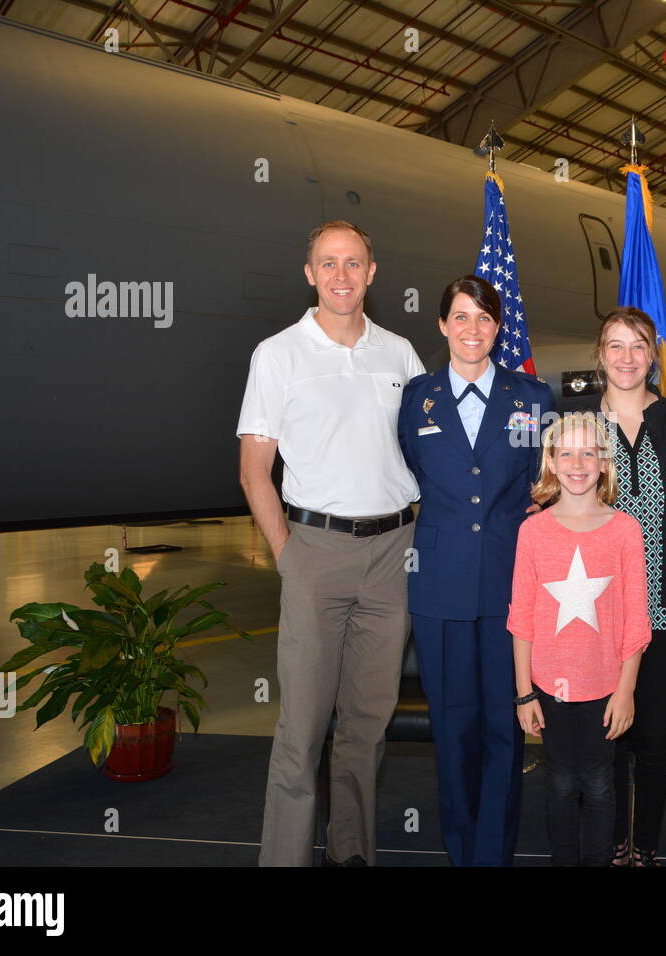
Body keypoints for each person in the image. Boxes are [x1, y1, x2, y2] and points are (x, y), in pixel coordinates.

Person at [237, 220, 423, 867]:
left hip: (393, 552)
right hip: (316, 550)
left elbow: (435, 449)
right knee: (301, 732)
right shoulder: (278, 355)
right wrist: (289, 553)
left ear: (372, 273)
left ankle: (352, 855)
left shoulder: (399, 353)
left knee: (366, 730)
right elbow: (253, 473)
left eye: (354, 263)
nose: (342, 275)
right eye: (329, 263)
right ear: (310, 273)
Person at [396, 274, 554, 866]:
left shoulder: (533, 398)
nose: (472, 329)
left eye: (484, 318)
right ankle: (462, 850)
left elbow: (543, 483)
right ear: (442, 326)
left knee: (504, 729)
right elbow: (416, 473)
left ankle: (494, 852)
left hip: (510, 583)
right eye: (460, 317)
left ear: (498, 328)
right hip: (438, 586)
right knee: (453, 731)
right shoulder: (416, 398)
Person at [577, 307, 666, 867]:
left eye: (638, 346)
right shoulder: (578, 426)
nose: (627, 358)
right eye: (616, 346)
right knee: (605, 739)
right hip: (594, 612)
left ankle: (647, 848)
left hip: (665, 612)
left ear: (653, 353)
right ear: (599, 355)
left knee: (654, 740)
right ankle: (611, 844)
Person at [507, 413, 651, 867]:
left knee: (601, 784)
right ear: (550, 462)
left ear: (605, 464)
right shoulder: (532, 531)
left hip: (606, 686)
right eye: (565, 452)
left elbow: (635, 620)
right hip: (549, 688)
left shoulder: (625, 529)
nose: (577, 462)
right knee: (560, 783)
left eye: (589, 452)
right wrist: (524, 693)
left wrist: (626, 689)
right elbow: (521, 619)